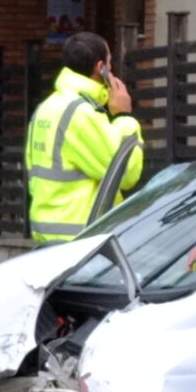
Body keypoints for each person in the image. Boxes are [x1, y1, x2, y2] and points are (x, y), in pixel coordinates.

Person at [26, 33, 145, 244]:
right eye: (110, 62)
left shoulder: (47, 107)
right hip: (80, 240)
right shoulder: (80, 113)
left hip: (47, 236)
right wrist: (124, 117)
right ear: (101, 68)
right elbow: (125, 173)